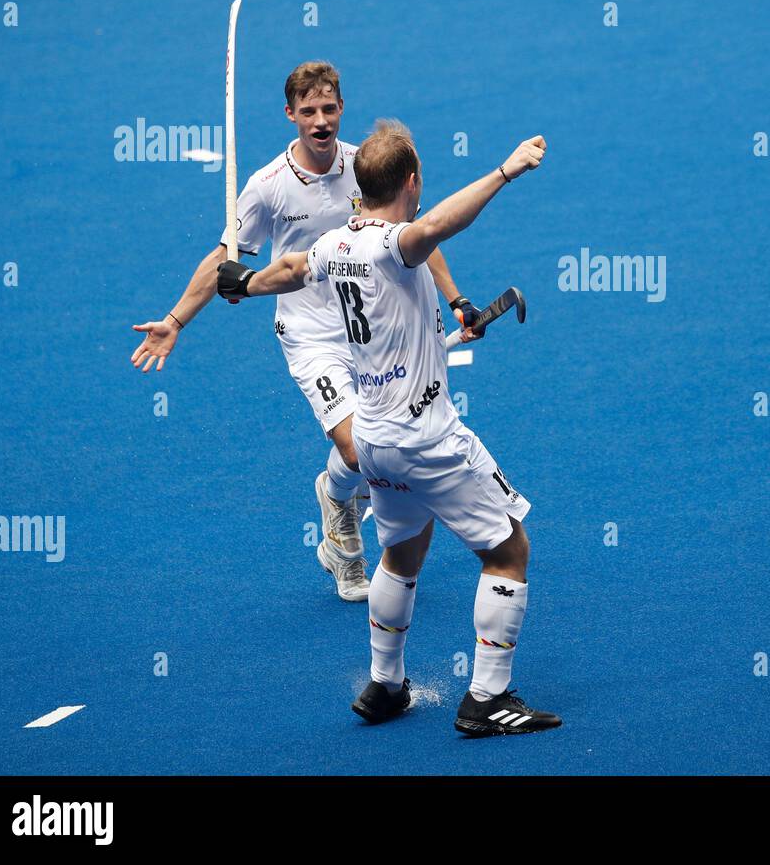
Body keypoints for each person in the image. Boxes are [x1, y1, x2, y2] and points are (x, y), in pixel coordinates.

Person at [215, 120, 560, 736]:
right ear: (411, 181)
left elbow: (289, 269)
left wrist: (243, 282)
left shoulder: (333, 246)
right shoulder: (394, 243)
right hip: (430, 441)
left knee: (402, 553)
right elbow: (437, 227)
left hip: (373, 442)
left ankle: (384, 684)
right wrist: (506, 171)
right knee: (509, 549)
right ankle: (488, 699)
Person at [129, 63, 482, 598]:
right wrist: (176, 320)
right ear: (290, 114)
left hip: (369, 328)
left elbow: (413, 236)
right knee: (359, 452)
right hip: (309, 334)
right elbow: (225, 260)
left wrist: (456, 299)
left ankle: (340, 496)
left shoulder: (364, 168)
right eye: (309, 111)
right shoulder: (267, 187)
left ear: (341, 109)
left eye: (330, 109)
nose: (321, 120)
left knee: (382, 445)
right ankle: (339, 502)